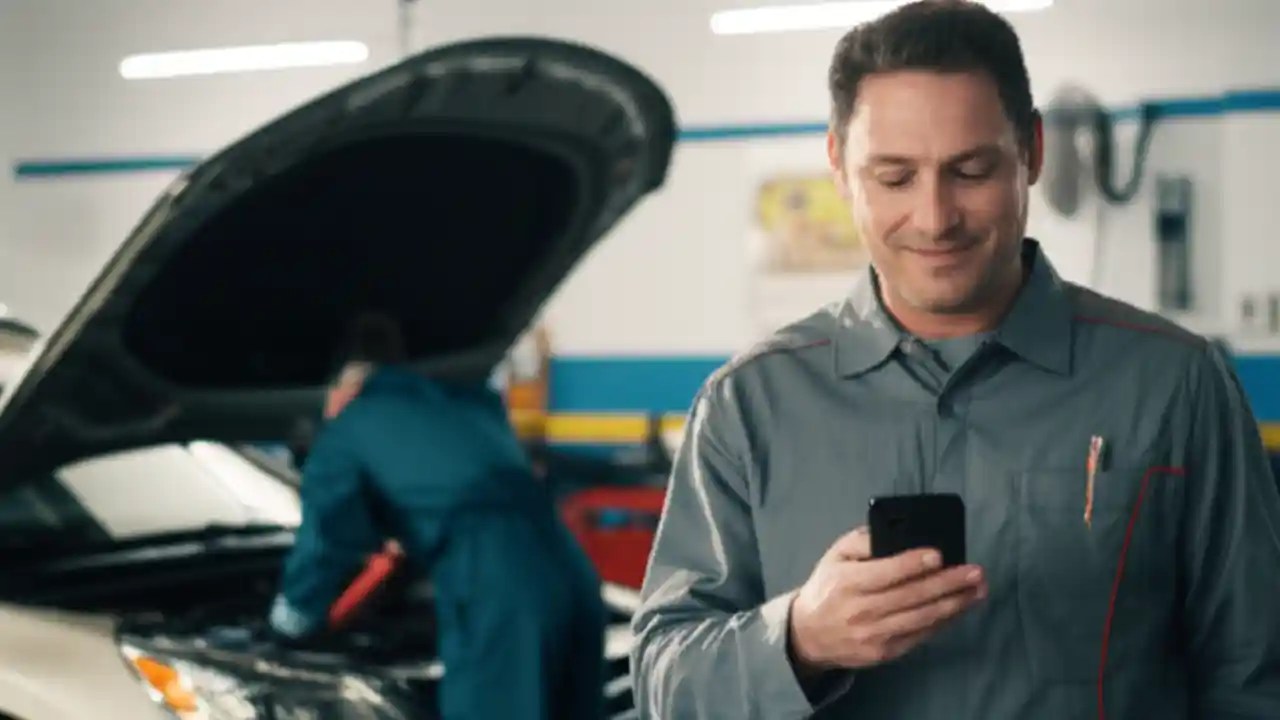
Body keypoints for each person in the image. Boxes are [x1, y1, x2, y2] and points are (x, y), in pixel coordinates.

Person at [630, 2, 1280, 718]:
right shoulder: (748, 405)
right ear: (840, 168)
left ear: (1031, 151)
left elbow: (1253, 675)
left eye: (970, 170)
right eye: (895, 177)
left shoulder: (1174, 385)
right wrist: (799, 638)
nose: (935, 217)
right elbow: (663, 681)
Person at [267, 313, 607, 720]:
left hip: (493, 581)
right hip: (572, 570)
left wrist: (290, 619)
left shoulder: (349, 428)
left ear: (341, 389)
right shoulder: (465, 403)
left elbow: (327, 539)